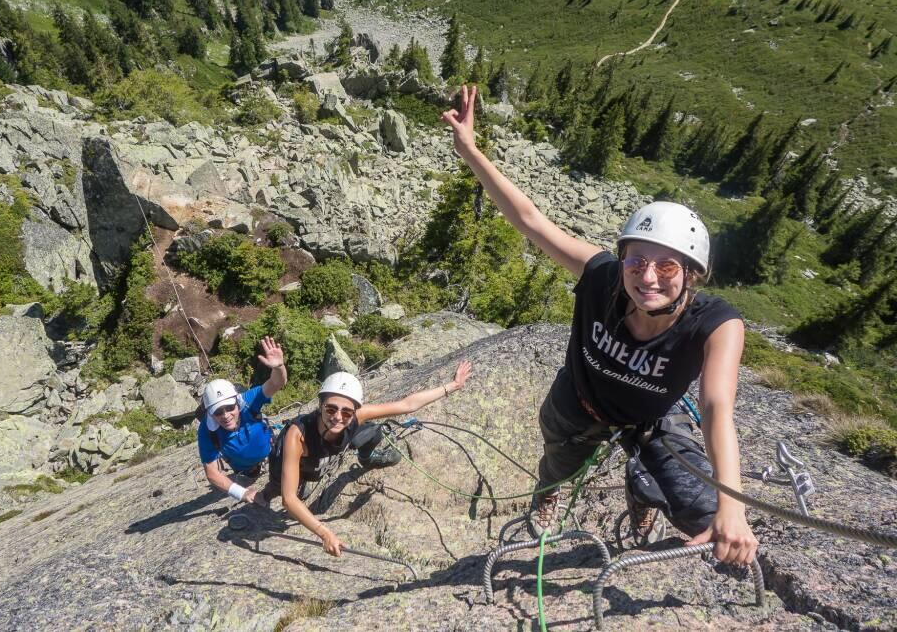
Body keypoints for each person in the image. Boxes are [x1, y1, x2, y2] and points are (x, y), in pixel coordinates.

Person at [441, 85, 757, 566]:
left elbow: (716, 408)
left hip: (652, 418)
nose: (648, 277)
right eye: (638, 261)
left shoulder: (717, 323)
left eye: (668, 267)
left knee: (700, 508)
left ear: (693, 273)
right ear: (623, 258)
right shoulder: (603, 277)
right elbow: (530, 221)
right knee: (558, 465)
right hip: (580, 403)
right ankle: (548, 496)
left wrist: (731, 507)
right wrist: (471, 151)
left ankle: (643, 490)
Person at [268, 362, 473, 557]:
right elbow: (289, 500)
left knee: (374, 431)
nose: (338, 417)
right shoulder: (298, 435)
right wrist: (324, 533)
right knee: (287, 487)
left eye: (347, 412)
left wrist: (453, 386)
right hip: (307, 461)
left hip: (328, 451)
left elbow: (407, 404)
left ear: (355, 411)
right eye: (331, 409)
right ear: (320, 405)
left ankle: (367, 457)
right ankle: (283, 487)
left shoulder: (358, 416)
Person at [197, 336, 286, 505]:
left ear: (237, 403)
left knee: (281, 460)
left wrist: (279, 367)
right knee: (250, 474)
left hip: (271, 449)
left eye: (230, 408)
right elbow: (212, 472)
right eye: (218, 411)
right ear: (210, 413)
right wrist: (243, 493)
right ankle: (253, 469)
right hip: (245, 468)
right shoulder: (207, 430)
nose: (225, 415)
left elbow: (276, 383)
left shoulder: (248, 400)